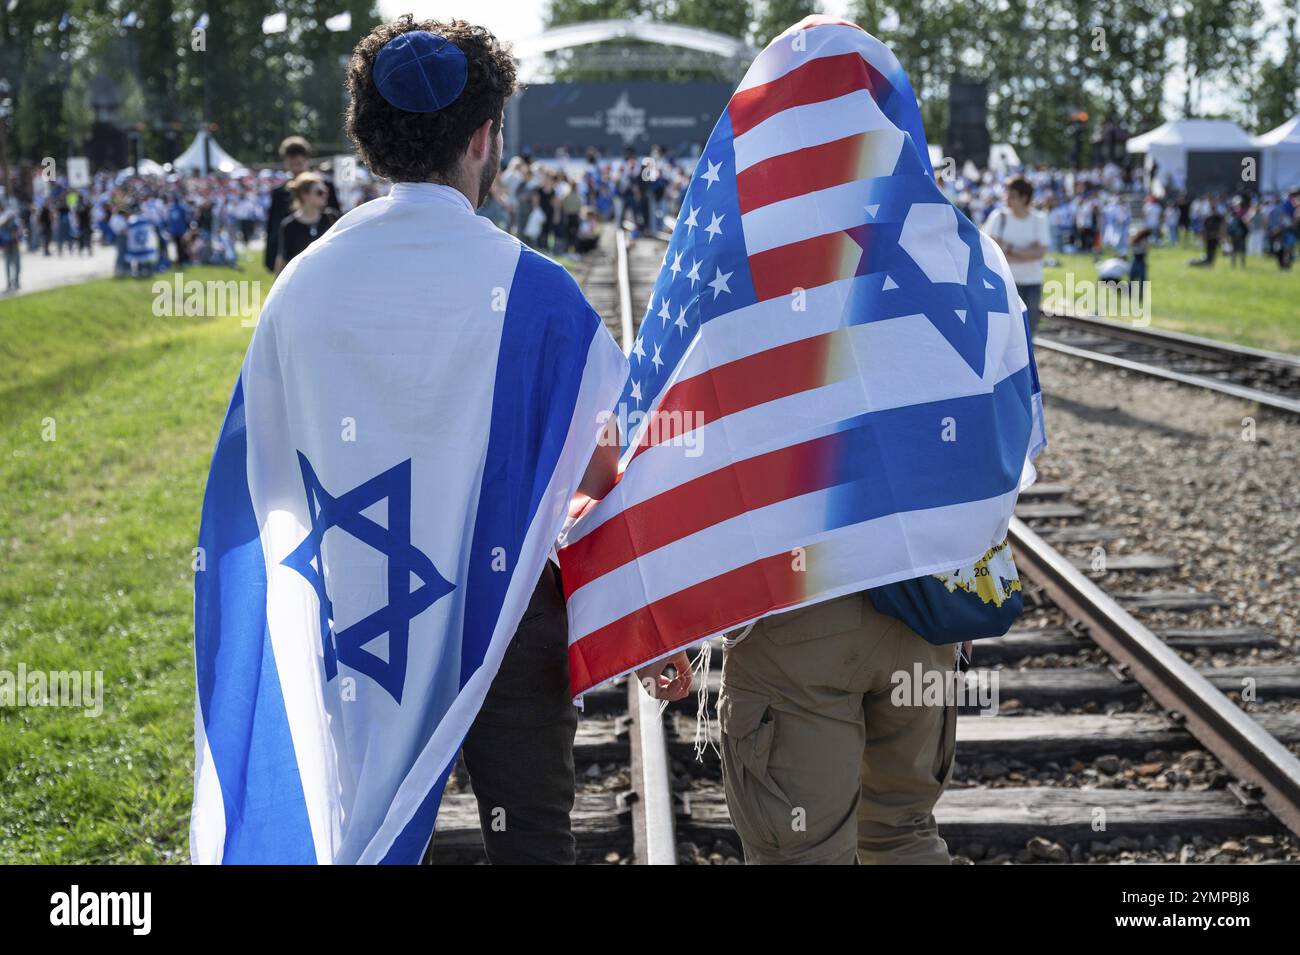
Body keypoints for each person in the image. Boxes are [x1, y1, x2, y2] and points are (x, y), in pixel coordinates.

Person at [227, 16, 688, 865]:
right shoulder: (540, 293)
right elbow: (609, 467)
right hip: (509, 616)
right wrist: (653, 623)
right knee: (532, 842)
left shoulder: (301, 286)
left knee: (359, 831)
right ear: (484, 136)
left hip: (365, 616)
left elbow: (269, 473)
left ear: (367, 139)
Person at [981, 176, 1049, 335]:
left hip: (1032, 282)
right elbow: (992, 249)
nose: (1007, 199)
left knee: (1028, 331)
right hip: (1004, 282)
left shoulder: (1039, 219)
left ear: (1024, 197)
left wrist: (1009, 250)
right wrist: (1026, 252)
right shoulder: (999, 217)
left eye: (1011, 196)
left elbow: (1040, 252)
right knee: (1004, 332)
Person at [263, 136, 341, 272]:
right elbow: (273, 226)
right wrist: (271, 256)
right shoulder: (280, 192)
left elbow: (336, 221)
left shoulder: (323, 188)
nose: (296, 169)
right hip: (292, 251)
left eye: (299, 163)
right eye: (291, 164)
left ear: (307, 161)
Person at [272, 171, 338, 275]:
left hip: (329, 276)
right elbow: (283, 259)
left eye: (326, 191)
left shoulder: (332, 217)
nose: (325, 195)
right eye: (319, 192)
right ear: (305, 195)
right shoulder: (289, 226)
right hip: (301, 280)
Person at [0, 209, 21, 292]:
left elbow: (19, 233)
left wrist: (15, 236)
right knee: (9, 265)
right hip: (7, 246)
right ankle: (10, 283)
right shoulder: (2, 225)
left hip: (14, 245)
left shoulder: (14, 223)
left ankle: (16, 281)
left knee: (16, 265)